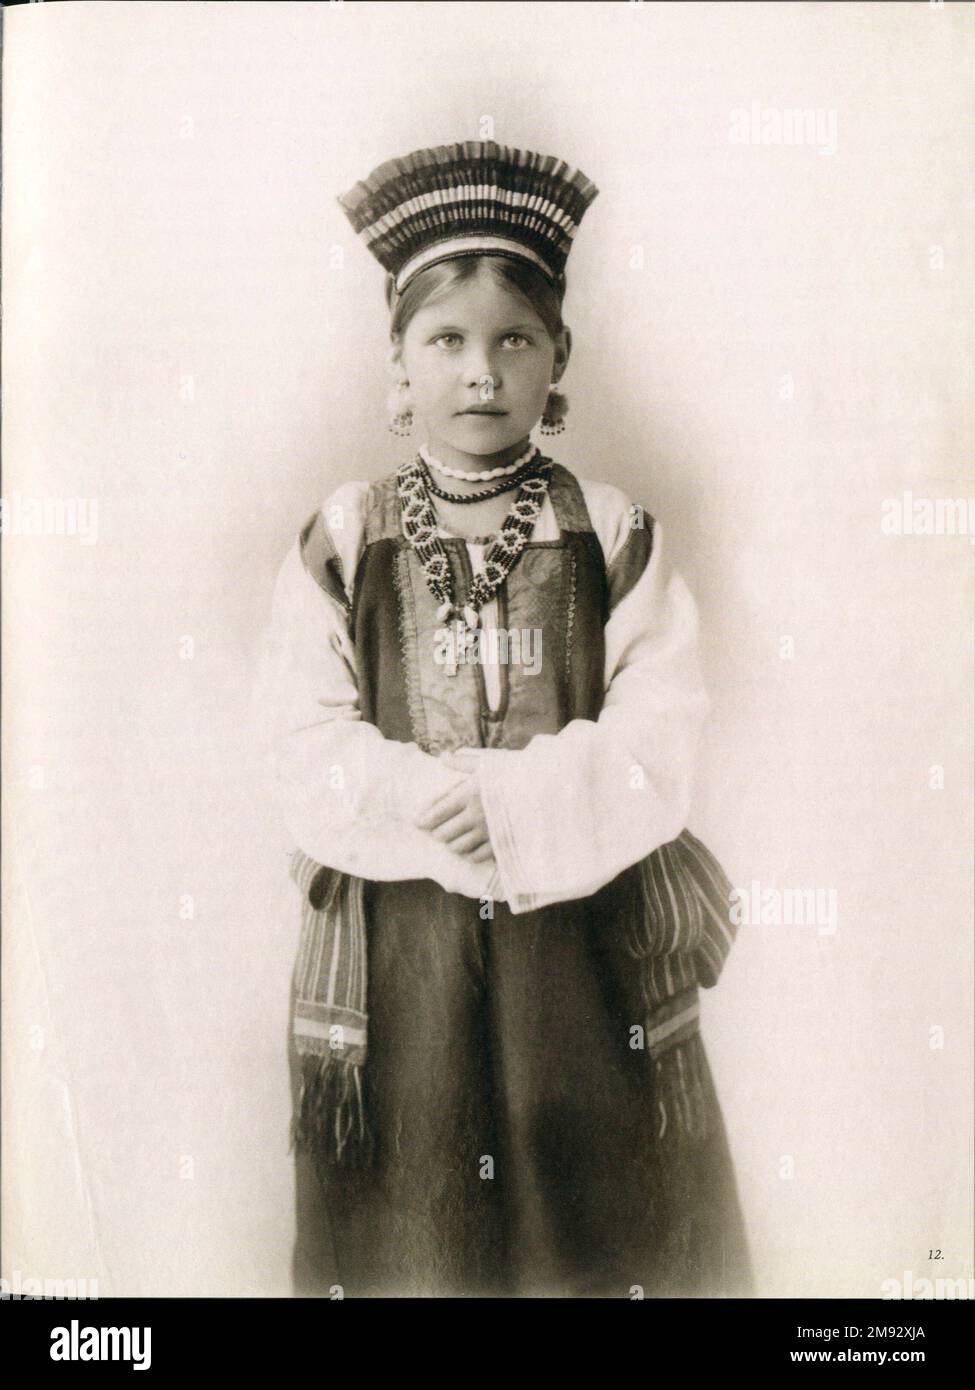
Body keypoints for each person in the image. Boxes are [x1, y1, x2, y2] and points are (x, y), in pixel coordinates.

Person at [257, 141, 753, 1297]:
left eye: (512, 342)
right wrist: (431, 802)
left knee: (583, 1216)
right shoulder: (344, 535)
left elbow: (661, 735)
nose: (480, 373)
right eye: (447, 342)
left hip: (577, 951)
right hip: (402, 953)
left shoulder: (613, 532)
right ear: (397, 365)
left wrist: (520, 804)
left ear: (556, 360)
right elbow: (300, 736)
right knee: (416, 1224)